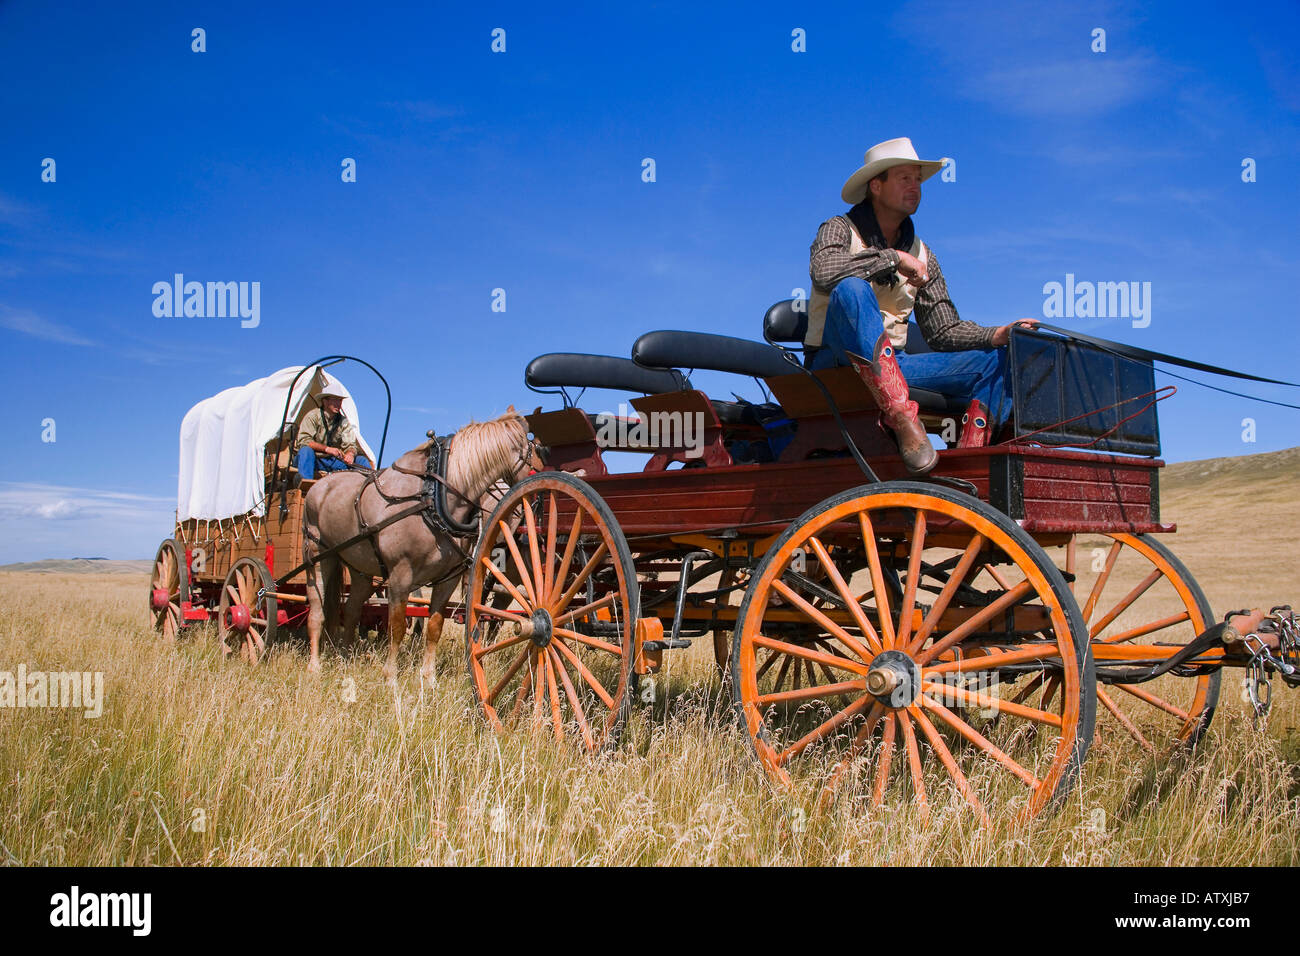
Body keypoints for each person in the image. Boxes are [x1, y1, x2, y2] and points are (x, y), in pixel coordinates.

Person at [807, 137, 1038, 473]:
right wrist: (892, 259)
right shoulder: (838, 228)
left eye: (918, 179)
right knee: (852, 290)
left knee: (998, 360)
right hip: (834, 361)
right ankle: (903, 420)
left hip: (892, 366)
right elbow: (823, 271)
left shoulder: (925, 254)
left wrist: (997, 334)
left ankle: (970, 462)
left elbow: (943, 331)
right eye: (904, 179)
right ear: (876, 185)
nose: (915, 187)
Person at [294, 389, 372, 480]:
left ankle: (370, 487)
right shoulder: (312, 416)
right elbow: (305, 441)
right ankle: (305, 484)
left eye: (340, 400)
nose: (338, 404)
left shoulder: (344, 421)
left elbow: (350, 444)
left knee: (361, 460)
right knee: (306, 450)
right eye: (335, 400)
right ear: (325, 401)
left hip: (332, 461)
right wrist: (327, 449)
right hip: (313, 460)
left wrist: (350, 454)